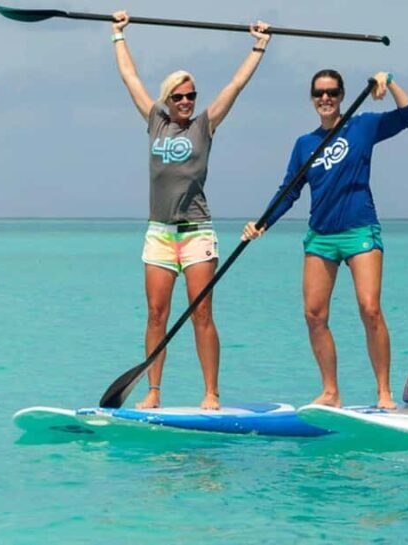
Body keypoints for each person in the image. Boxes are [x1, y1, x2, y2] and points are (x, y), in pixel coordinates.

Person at [111, 11, 271, 409]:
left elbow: (236, 85)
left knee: (201, 315)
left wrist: (259, 46)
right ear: (168, 100)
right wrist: (118, 35)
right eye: (179, 97)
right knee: (155, 316)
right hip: (159, 233)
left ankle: (211, 393)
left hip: (197, 232)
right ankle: (153, 392)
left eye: (191, 96)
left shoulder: (204, 126)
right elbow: (130, 79)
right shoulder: (155, 122)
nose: (186, 102)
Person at [242, 69, 408, 409]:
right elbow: (289, 190)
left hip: (359, 231)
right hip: (321, 237)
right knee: (314, 314)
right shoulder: (304, 145)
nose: (326, 98)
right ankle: (331, 392)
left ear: (341, 95)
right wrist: (263, 222)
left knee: (369, 309)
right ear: (312, 98)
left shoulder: (362, 126)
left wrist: (390, 80)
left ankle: (383, 392)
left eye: (333, 92)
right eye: (319, 93)